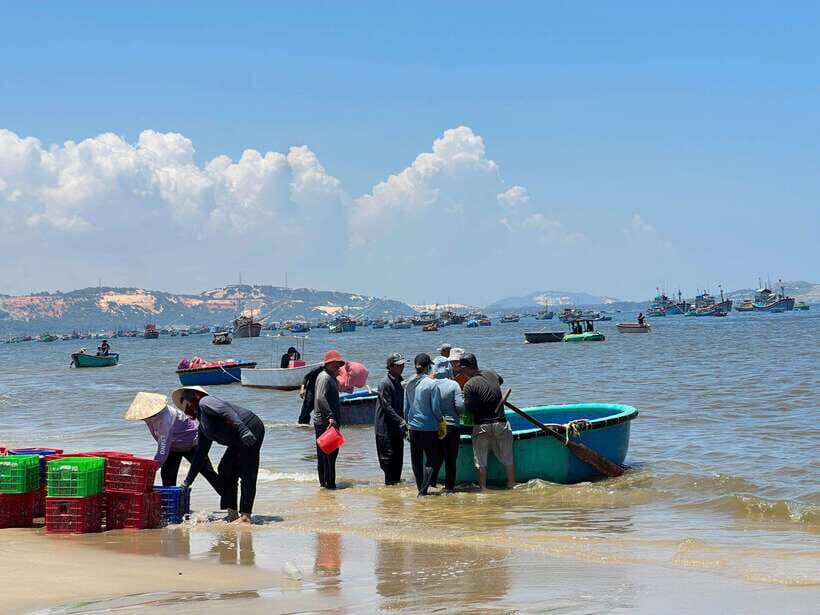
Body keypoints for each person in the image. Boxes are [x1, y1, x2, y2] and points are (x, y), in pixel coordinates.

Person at [175, 385, 265, 524]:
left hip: (249, 427)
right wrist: (187, 482)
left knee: (247, 471)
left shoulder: (206, 402)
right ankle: (232, 513)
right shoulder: (203, 426)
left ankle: (246, 516)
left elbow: (225, 409)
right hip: (237, 439)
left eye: (183, 400)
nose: (182, 406)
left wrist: (242, 429)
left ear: (191, 397)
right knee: (225, 469)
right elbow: (200, 455)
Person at [124, 391, 221, 493]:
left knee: (208, 473)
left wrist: (153, 467)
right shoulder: (149, 416)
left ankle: (229, 501)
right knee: (167, 474)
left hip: (192, 443)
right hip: (174, 445)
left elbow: (163, 446)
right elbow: (158, 438)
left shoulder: (165, 418)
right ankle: (169, 506)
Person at [459, 353, 515, 490]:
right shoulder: (492, 374)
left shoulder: (468, 385)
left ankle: (483, 488)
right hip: (500, 422)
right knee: (507, 458)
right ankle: (511, 484)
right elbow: (500, 382)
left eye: (462, 369)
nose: (461, 372)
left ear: (467, 368)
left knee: (481, 461)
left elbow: (469, 409)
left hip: (481, 425)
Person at [404, 353, 444, 496]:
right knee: (432, 460)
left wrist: (408, 426)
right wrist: (441, 421)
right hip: (429, 427)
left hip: (413, 427)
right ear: (429, 367)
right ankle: (423, 491)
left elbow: (406, 409)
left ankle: (420, 488)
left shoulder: (409, 383)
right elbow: (435, 408)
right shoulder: (432, 384)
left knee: (416, 460)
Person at [313, 349, 345, 489]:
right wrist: (331, 416)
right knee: (327, 456)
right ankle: (328, 485)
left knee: (328, 456)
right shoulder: (324, 377)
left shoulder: (331, 377)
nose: (338, 366)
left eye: (339, 364)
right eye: (336, 364)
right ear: (329, 364)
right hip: (324, 423)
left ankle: (327, 484)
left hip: (328, 422)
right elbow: (320, 398)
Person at [374, 353, 407, 485]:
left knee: (398, 461)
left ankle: (395, 495)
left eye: (403, 364)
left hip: (397, 429)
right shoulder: (385, 383)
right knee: (388, 462)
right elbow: (387, 408)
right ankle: (389, 492)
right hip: (385, 429)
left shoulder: (400, 381)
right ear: (391, 367)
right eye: (399, 365)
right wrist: (402, 421)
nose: (402, 367)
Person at [430, 369, 465, 491]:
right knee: (450, 460)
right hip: (451, 426)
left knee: (435, 458)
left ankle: (430, 484)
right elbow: (460, 407)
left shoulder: (430, 384)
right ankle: (449, 488)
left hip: (434, 427)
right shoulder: (453, 384)